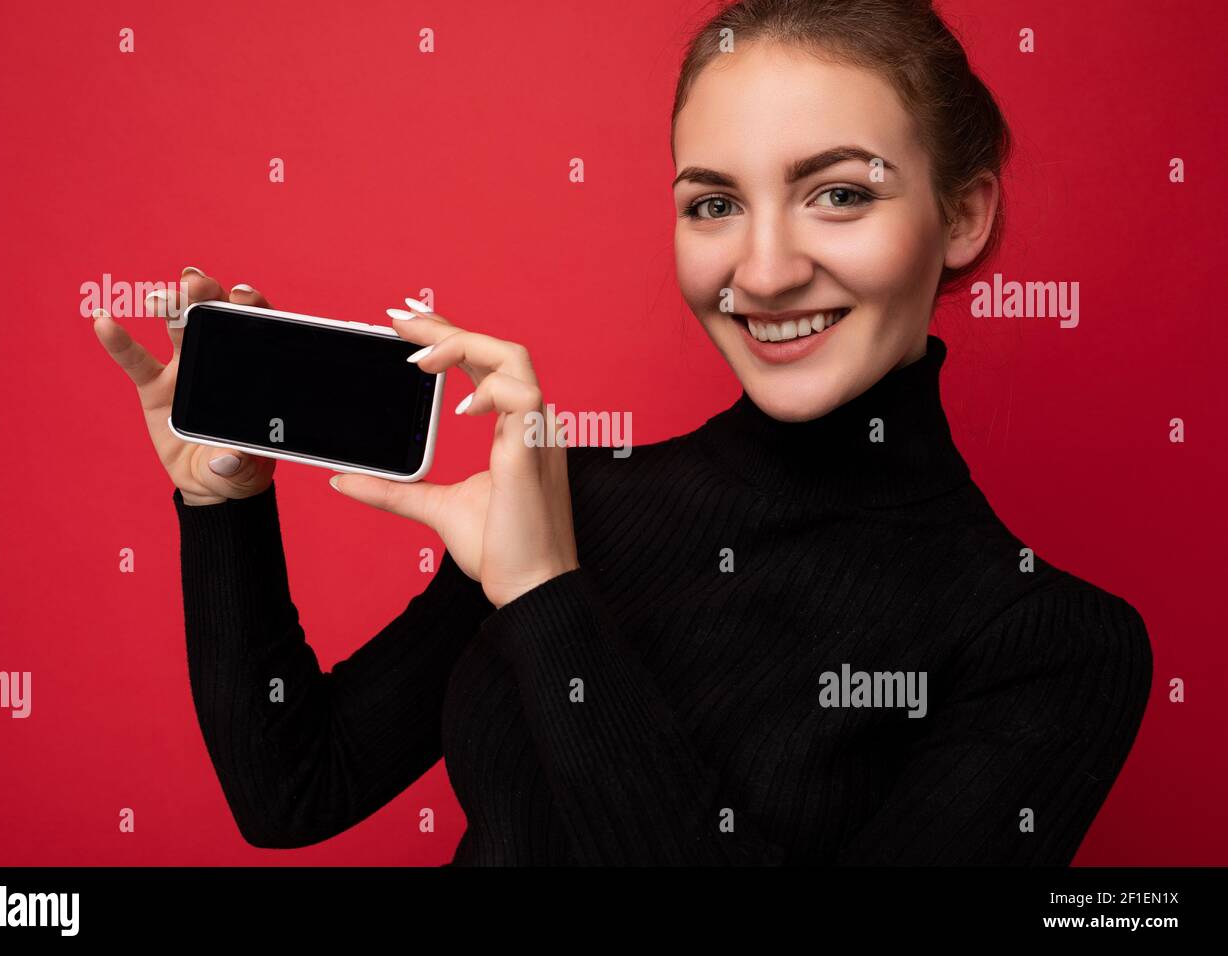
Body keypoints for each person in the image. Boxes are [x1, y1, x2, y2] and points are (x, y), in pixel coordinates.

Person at [91, 0, 1152, 865]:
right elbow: (293, 788)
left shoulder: (1051, 645)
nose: (765, 269)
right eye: (712, 204)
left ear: (961, 215)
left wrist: (548, 599)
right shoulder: (571, 501)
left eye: (837, 193)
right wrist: (219, 506)